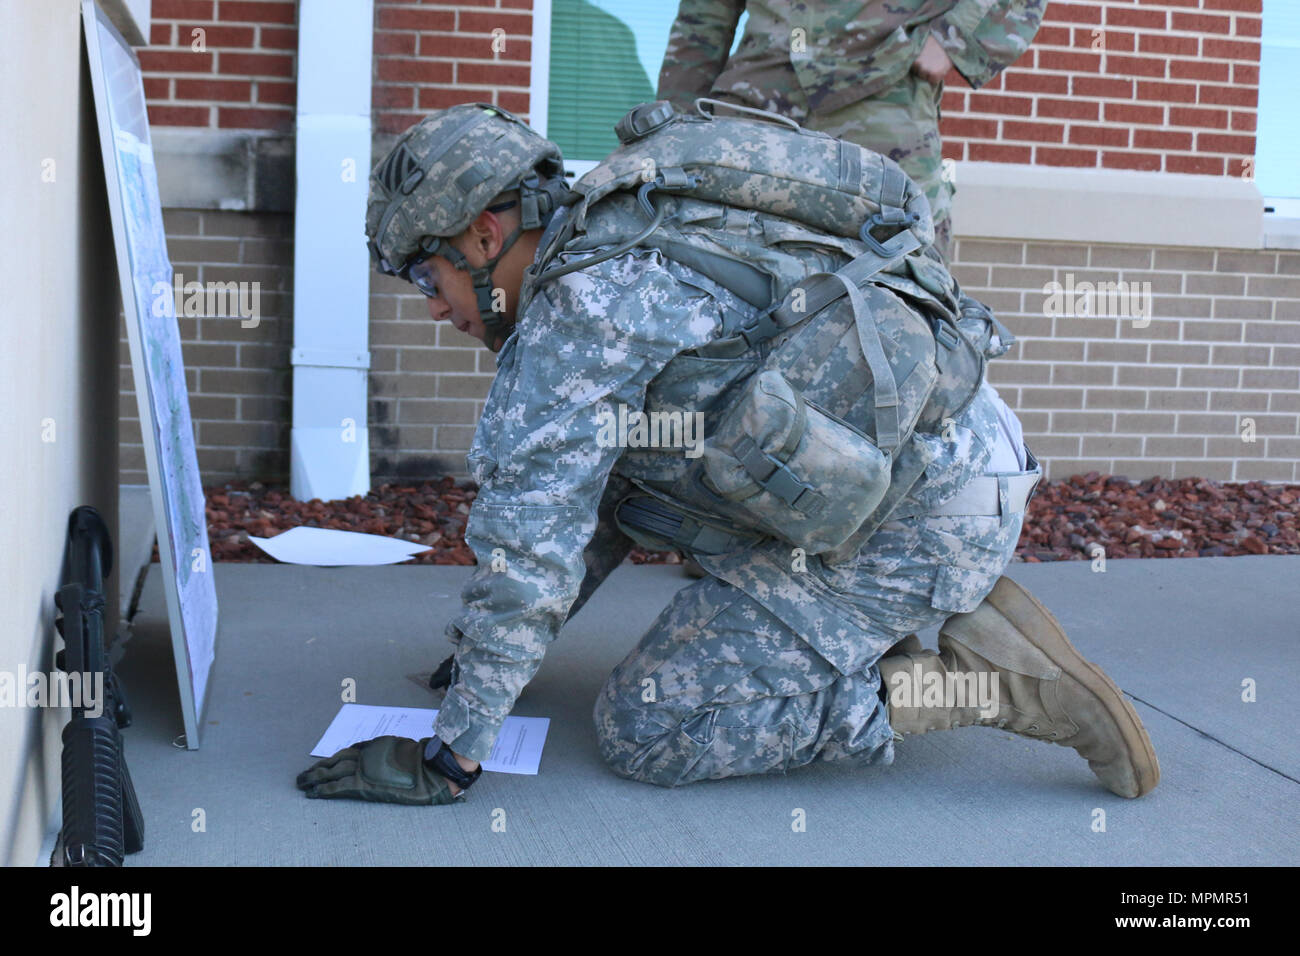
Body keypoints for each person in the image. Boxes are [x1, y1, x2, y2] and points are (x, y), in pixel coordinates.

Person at [295, 102, 1158, 807]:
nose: (434, 309)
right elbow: (601, 499)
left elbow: (531, 546)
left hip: (911, 519)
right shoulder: (633, 214)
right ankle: (881, 614)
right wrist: (479, 662)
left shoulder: (576, 317)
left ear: (485, 235)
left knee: (649, 729)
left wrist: (452, 757)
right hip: (951, 459)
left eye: (426, 277)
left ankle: (980, 682)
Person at [656, 0, 1045, 261]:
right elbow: (703, 19)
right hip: (750, 108)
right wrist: (675, 132)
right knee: (714, 272)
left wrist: (953, 37)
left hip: (882, 97)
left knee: (904, 282)